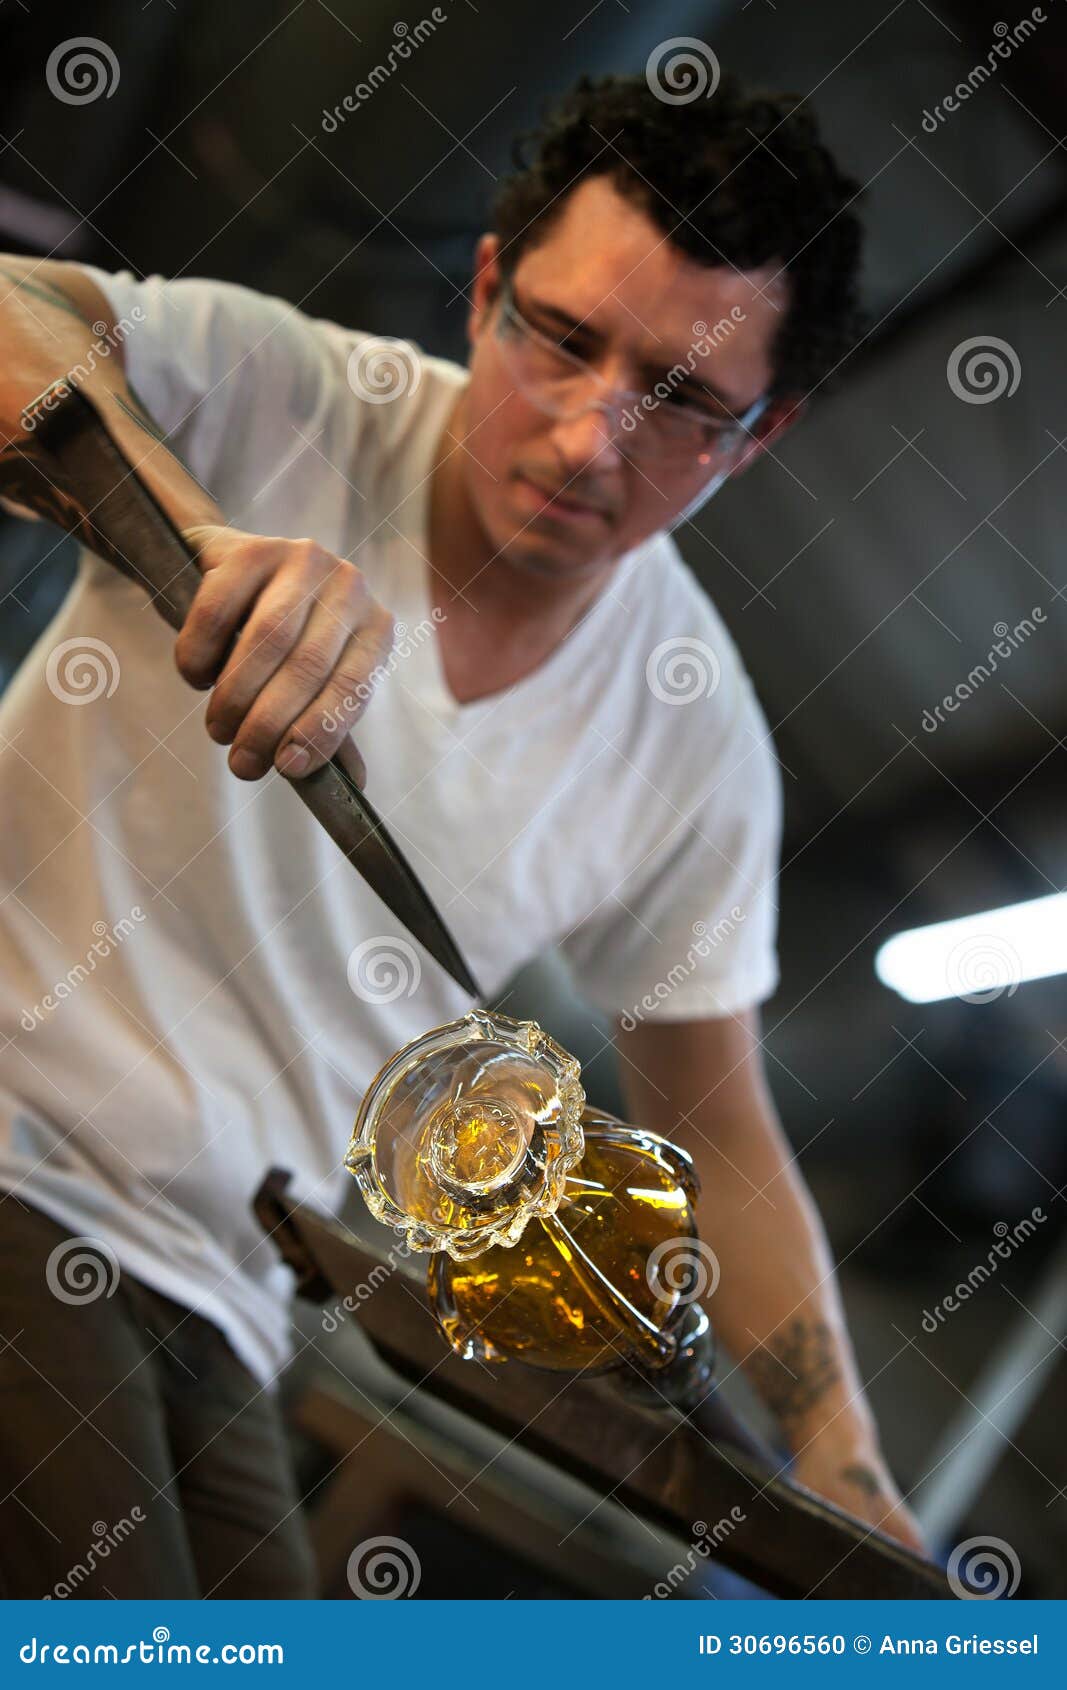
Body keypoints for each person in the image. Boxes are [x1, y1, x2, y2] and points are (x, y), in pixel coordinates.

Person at [0, 71, 924, 1597]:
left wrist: (838, 1459)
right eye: (561, 338)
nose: (582, 438)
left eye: (679, 400)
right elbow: (19, 306)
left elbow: (718, 1120)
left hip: (229, 1279)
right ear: (489, 282)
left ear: (760, 434)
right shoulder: (280, 390)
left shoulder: (695, 748)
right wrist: (191, 533)